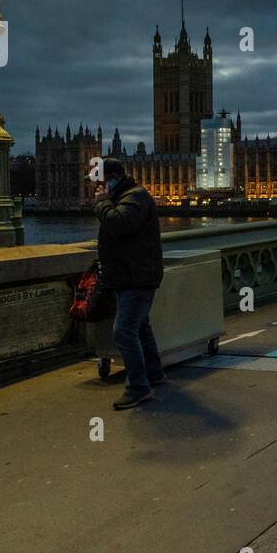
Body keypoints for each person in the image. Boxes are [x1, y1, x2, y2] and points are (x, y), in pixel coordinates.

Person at [94, 158, 165, 410]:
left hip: (137, 276)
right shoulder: (127, 195)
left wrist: (102, 203)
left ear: (112, 177)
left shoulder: (134, 196)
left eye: (100, 180)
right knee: (141, 326)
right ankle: (154, 373)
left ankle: (138, 387)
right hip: (130, 274)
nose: (98, 186)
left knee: (123, 331)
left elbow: (119, 224)